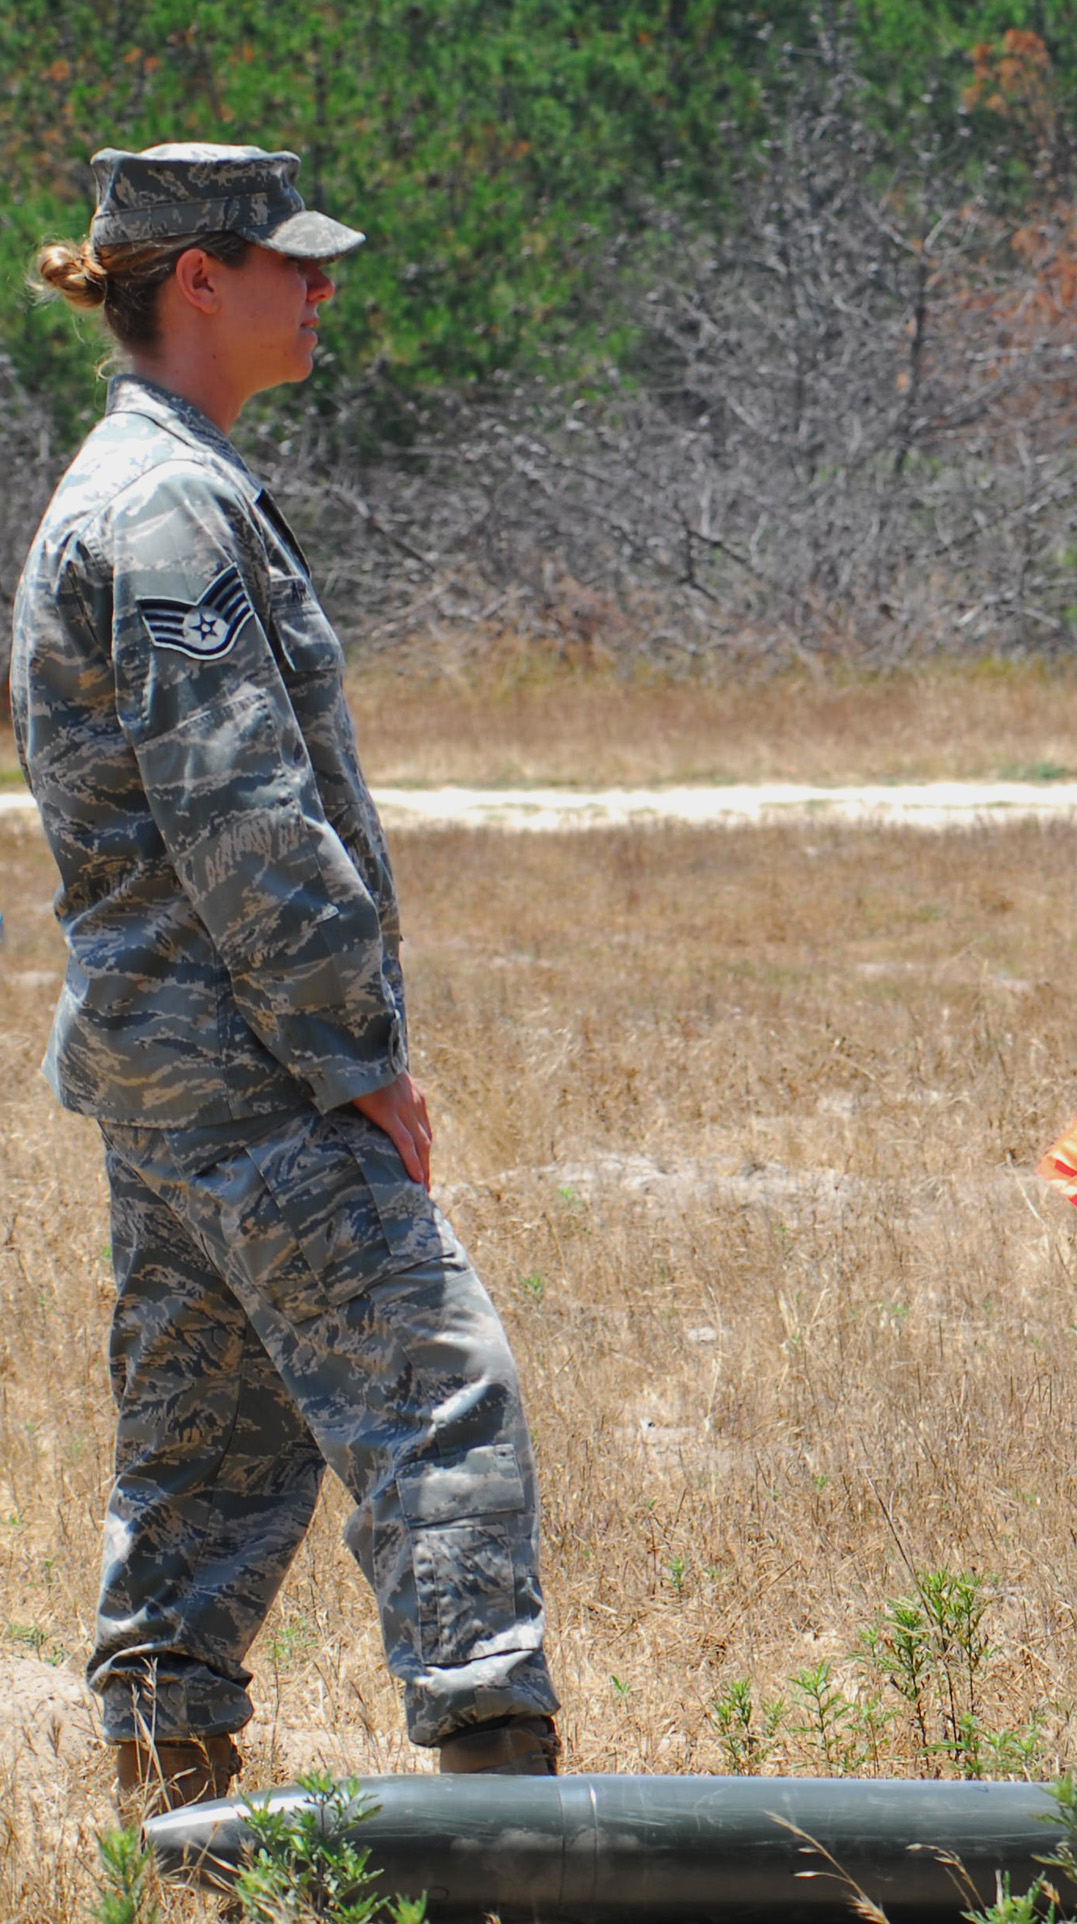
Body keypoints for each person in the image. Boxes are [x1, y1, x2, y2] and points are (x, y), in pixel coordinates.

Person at [15, 145, 561, 1811]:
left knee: (204, 1445)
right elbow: (245, 815)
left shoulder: (152, 480)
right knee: (438, 1387)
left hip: (168, 1075)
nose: (321, 289)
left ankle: (164, 1808)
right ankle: (505, 1807)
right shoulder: (167, 504)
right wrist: (358, 1056)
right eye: (289, 264)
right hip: (252, 1066)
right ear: (196, 279)